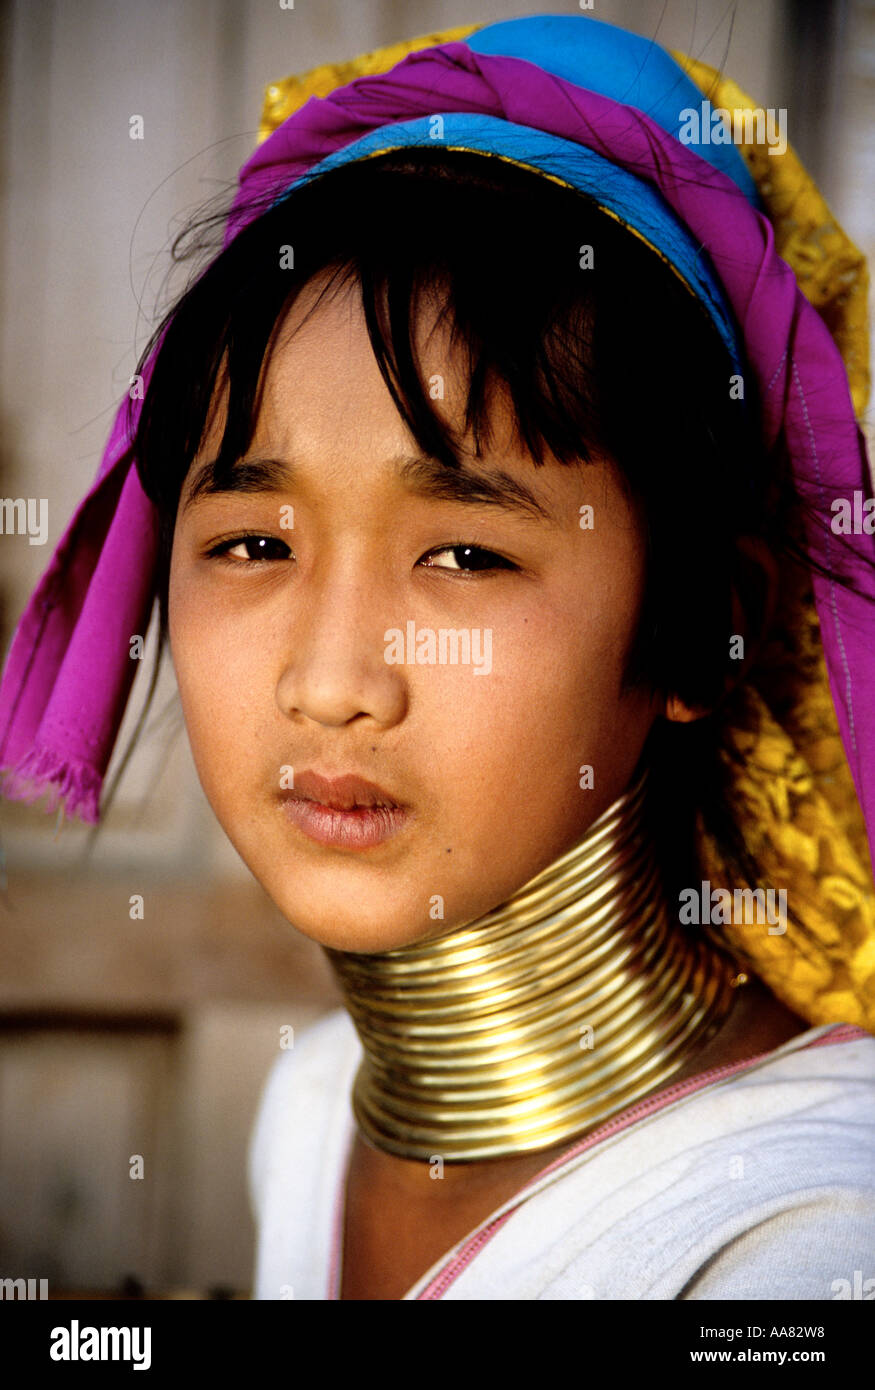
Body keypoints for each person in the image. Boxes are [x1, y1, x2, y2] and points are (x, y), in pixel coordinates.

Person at [1, 13, 874, 1300]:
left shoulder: (794, 1241)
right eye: (251, 542)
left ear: (702, 621)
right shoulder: (311, 1114)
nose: (333, 681)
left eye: (463, 556)